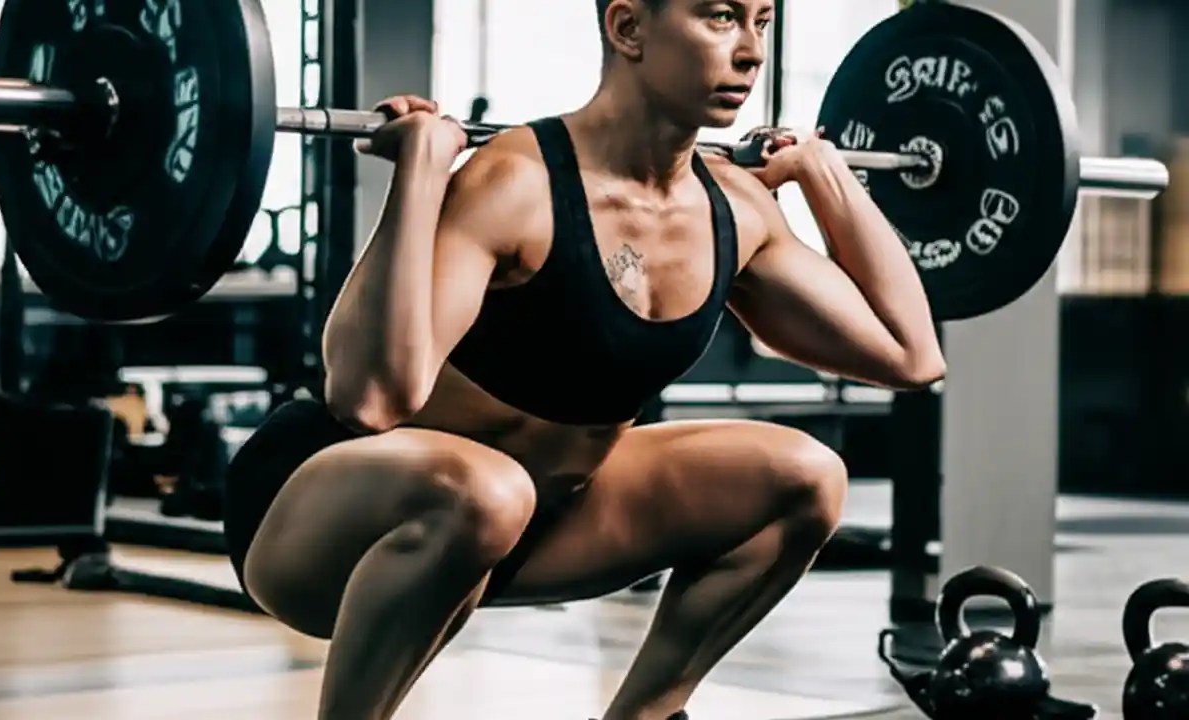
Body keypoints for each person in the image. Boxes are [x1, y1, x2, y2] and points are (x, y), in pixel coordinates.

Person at [222, 0, 945, 718]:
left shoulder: (737, 207)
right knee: (485, 491)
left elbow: (911, 356)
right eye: (721, 17)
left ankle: (646, 715)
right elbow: (371, 399)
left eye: (762, 22)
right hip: (328, 521)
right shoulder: (517, 182)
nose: (752, 51)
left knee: (805, 477)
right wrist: (420, 174)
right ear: (628, 27)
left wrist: (826, 176)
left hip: (535, 518)